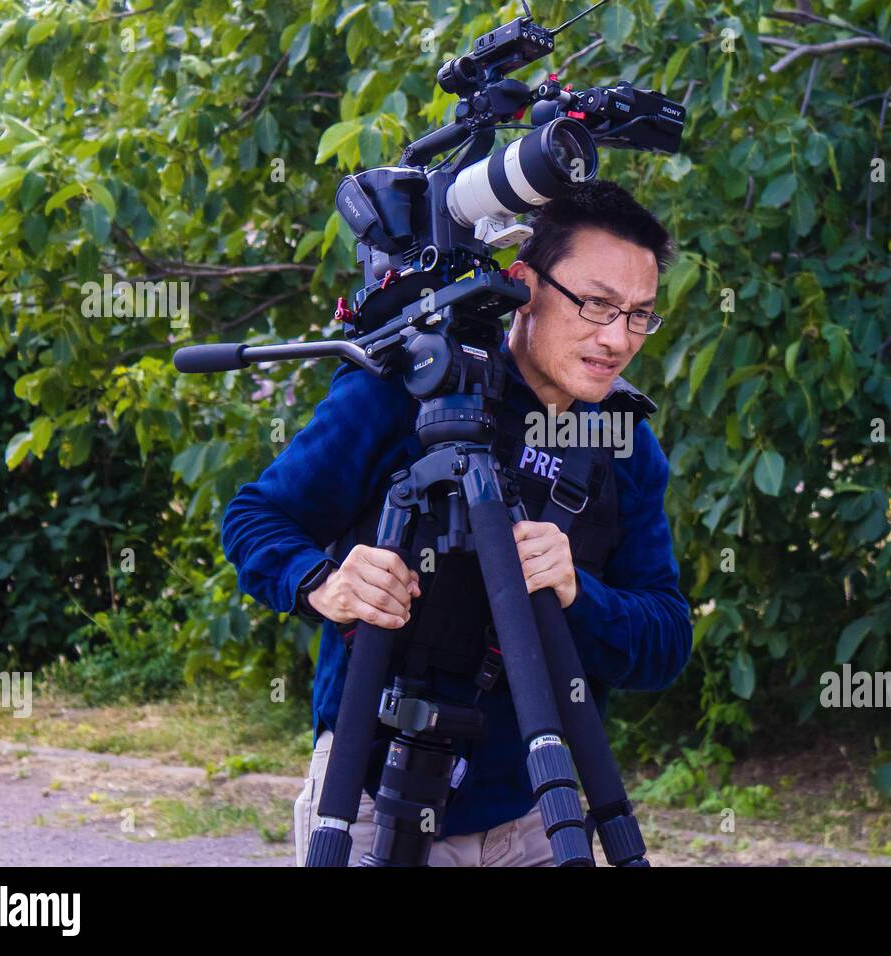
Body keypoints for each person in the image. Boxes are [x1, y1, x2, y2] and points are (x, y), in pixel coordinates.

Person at [221, 179, 693, 866]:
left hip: (537, 814)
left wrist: (578, 595)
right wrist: (322, 584)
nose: (617, 338)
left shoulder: (624, 444)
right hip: (369, 798)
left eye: (639, 315)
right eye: (595, 305)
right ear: (525, 282)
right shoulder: (412, 387)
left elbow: (665, 639)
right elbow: (256, 517)